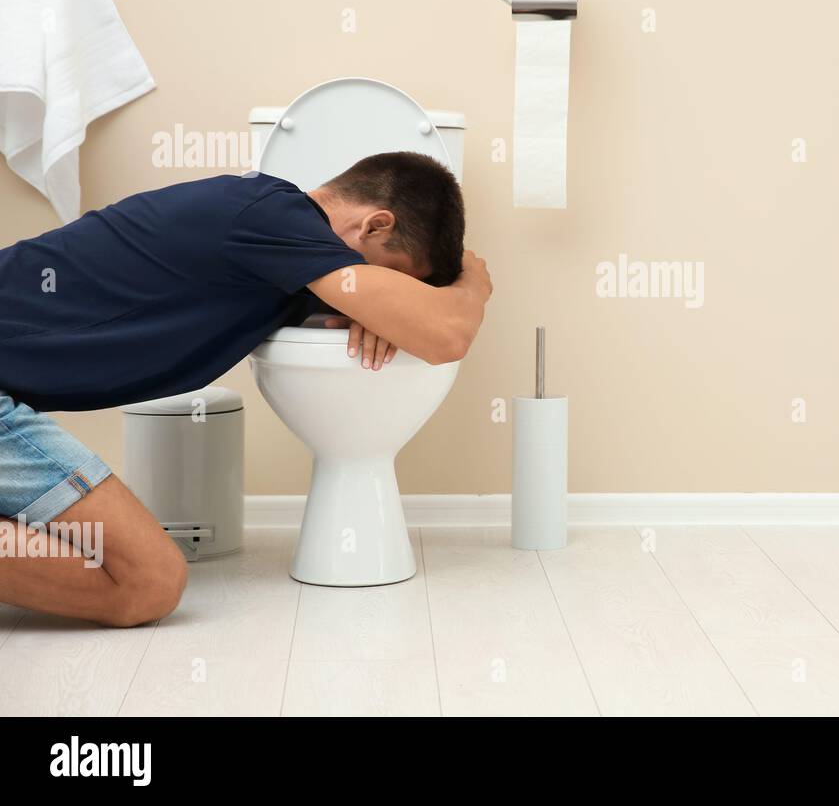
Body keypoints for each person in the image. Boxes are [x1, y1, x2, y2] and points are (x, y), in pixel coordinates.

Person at [0, 151, 493, 625]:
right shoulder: (271, 216)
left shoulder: (286, 268)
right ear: (375, 226)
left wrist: (390, 310)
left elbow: (427, 325)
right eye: (395, 279)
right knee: (147, 582)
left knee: (142, 580)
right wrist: (475, 279)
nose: (390, 298)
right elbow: (447, 335)